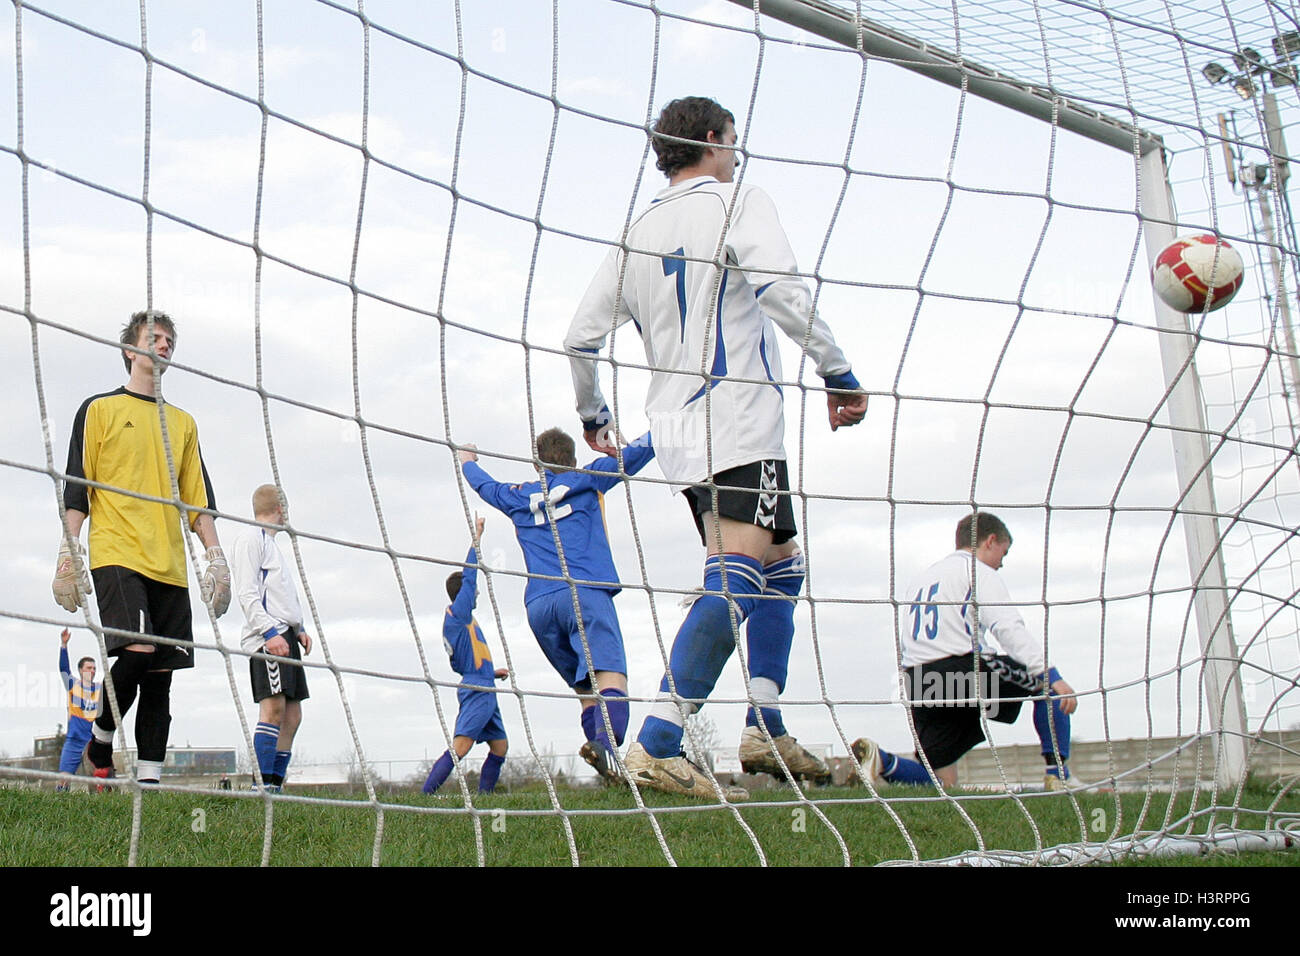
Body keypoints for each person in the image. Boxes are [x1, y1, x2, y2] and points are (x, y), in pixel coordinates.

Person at [564, 96, 867, 798]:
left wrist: (593, 413)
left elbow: (578, 338)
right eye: (733, 140)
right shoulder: (736, 201)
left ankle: (765, 723)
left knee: (780, 563)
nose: (737, 153)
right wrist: (837, 370)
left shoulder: (634, 232)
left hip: (678, 431)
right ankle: (656, 744)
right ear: (710, 140)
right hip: (736, 417)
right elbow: (780, 289)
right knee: (736, 573)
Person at [53, 310, 230, 788]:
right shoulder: (98, 410)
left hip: (169, 563)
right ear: (131, 351)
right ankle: (103, 733)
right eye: (154, 337)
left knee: (160, 674)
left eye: (170, 339)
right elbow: (77, 487)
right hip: (116, 552)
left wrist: (217, 559)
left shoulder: (183, 423)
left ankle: (149, 782)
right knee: (137, 650)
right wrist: (69, 554)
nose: (165, 344)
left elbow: (199, 500)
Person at [460, 428, 654, 781]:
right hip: (584, 592)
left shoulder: (517, 496)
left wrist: (466, 460)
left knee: (585, 689)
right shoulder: (588, 478)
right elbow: (639, 453)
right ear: (574, 458)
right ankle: (607, 748)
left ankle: (605, 762)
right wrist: (672, 421)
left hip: (539, 607)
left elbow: (483, 486)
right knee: (611, 679)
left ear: (537, 464)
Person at [852, 512, 1083, 791]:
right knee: (1048, 688)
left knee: (943, 785)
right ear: (990, 540)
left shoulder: (922, 579)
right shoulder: (977, 571)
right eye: (1003, 553)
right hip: (963, 667)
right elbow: (1007, 627)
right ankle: (1059, 775)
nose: (1001, 563)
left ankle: (884, 761)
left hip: (920, 680)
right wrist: (1051, 673)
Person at [231, 484, 312, 793]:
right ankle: (261, 786)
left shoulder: (273, 545)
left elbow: (280, 593)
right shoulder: (251, 538)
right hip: (269, 638)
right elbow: (248, 591)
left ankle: (276, 785)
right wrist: (269, 633)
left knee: (293, 715)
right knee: (273, 709)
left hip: (287, 635)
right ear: (280, 508)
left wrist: (300, 628)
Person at [422, 516, 510, 795]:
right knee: (461, 746)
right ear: (463, 595)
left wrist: (490, 672)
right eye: (473, 593)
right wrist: (477, 537)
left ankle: (484, 797)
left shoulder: (465, 621)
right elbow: (470, 574)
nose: (477, 596)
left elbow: (460, 662)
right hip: (477, 688)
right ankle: (426, 796)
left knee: (500, 746)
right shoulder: (459, 615)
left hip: (483, 683)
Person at [55, 627, 100, 790]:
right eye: (89, 668)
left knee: (98, 780)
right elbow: (63, 669)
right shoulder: (73, 685)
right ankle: (59, 806)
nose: (92, 671)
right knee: (63, 779)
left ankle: (101, 808)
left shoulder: (100, 689)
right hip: (74, 739)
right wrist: (64, 645)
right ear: (81, 670)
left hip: (94, 741)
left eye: (94, 668)